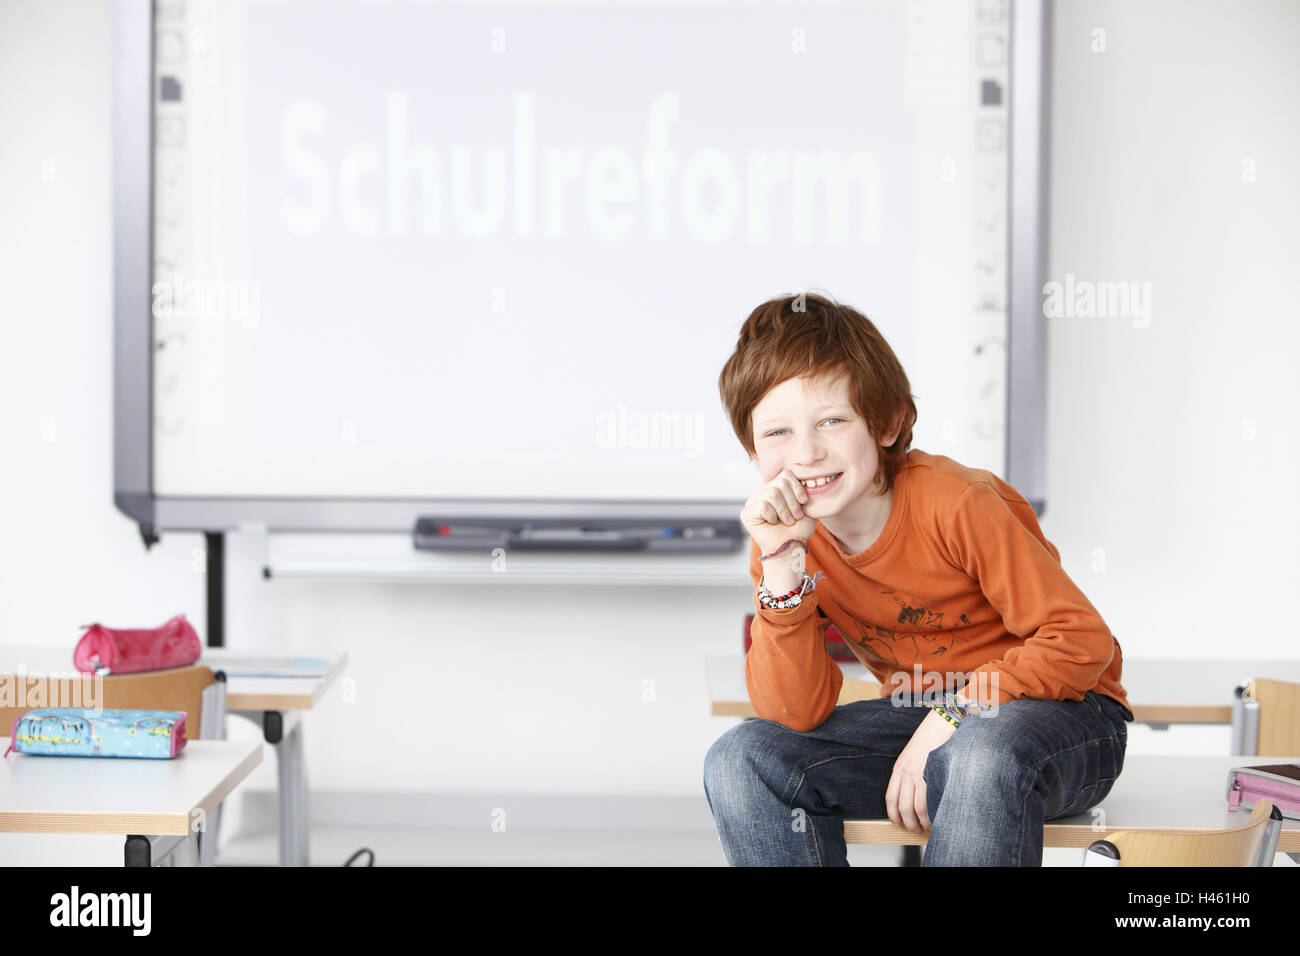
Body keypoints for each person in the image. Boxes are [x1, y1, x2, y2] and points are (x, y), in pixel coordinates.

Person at [704, 292, 1132, 866]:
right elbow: (795, 713)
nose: (805, 453)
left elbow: (1081, 641)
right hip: (923, 713)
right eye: (777, 433)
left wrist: (959, 712)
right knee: (743, 757)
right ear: (752, 450)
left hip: (1067, 716)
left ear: (887, 422)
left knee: (981, 752)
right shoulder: (785, 542)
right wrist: (782, 566)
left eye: (832, 420)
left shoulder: (957, 504)